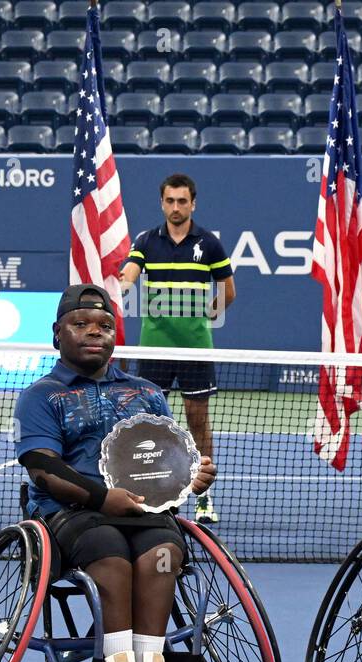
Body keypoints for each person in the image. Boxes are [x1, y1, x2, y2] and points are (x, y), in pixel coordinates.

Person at [13, 284, 218, 662]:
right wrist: (103, 498)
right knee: (109, 548)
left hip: (145, 512)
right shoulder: (40, 396)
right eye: (80, 324)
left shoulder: (147, 392)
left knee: (164, 551)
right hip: (72, 513)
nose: (94, 332)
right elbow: (43, 468)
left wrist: (188, 476)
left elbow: (168, 455)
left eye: (104, 325)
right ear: (57, 334)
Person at [119, 173, 234, 525]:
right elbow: (129, 273)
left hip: (195, 349)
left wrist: (199, 319)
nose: (176, 207)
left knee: (197, 420)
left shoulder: (209, 244)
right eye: (170, 201)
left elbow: (228, 291)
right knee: (153, 424)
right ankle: (153, 490)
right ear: (162, 203)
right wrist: (123, 283)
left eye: (182, 201)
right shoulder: (146, 241)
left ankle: (203, 496)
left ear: (193, 204)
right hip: (155, 348)